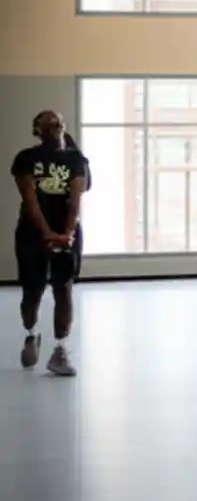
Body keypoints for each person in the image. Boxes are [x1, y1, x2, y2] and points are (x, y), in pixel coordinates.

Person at [12, 110, 87, 376]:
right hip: (32, 234)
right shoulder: (26, 159)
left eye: (58, 124)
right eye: (47, 125)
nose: (54, 129)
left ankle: (60, 350)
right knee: (32, 292)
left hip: (66, 234)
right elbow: (30, 199)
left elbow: (76, 197)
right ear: (37, 130)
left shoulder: (76, 159)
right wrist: (46, 233)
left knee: (63, 290)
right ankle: (31, 333)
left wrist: (66, 233)